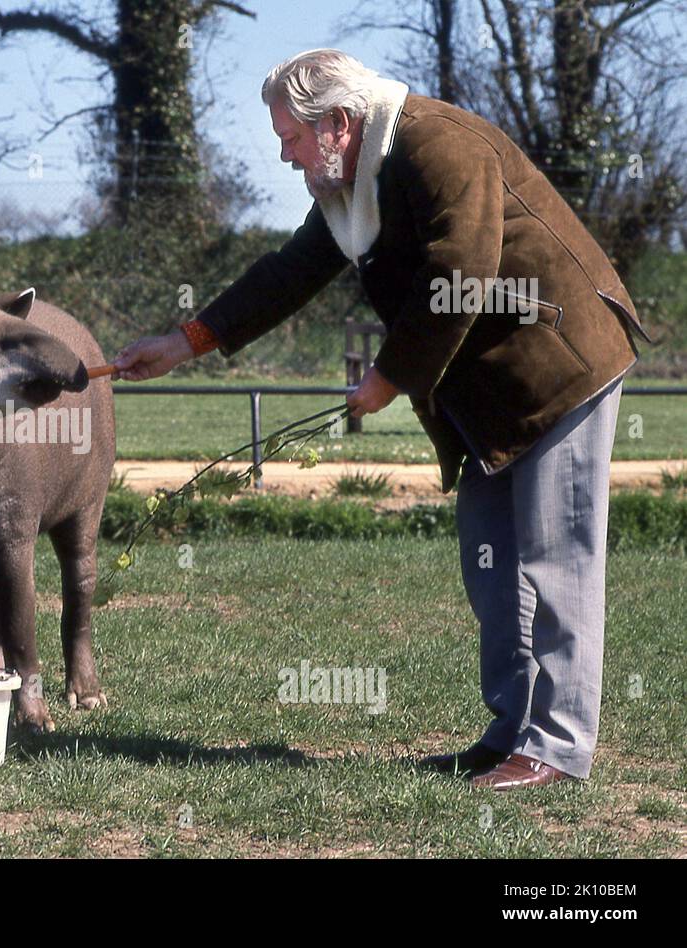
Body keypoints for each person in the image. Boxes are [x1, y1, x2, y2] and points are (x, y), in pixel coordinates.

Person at [114, 49, 652, 792]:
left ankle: (558, 747)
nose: (284, 155)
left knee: (558, 559)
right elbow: (290, 273)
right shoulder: (345, 184)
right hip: (488, 395)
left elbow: (460, 266)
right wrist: (186, 342)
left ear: (337, 122)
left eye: (291, 139)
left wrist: (391, 374)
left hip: (559, 365)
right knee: (492, 564)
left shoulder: (439, 142)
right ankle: (512, 732)